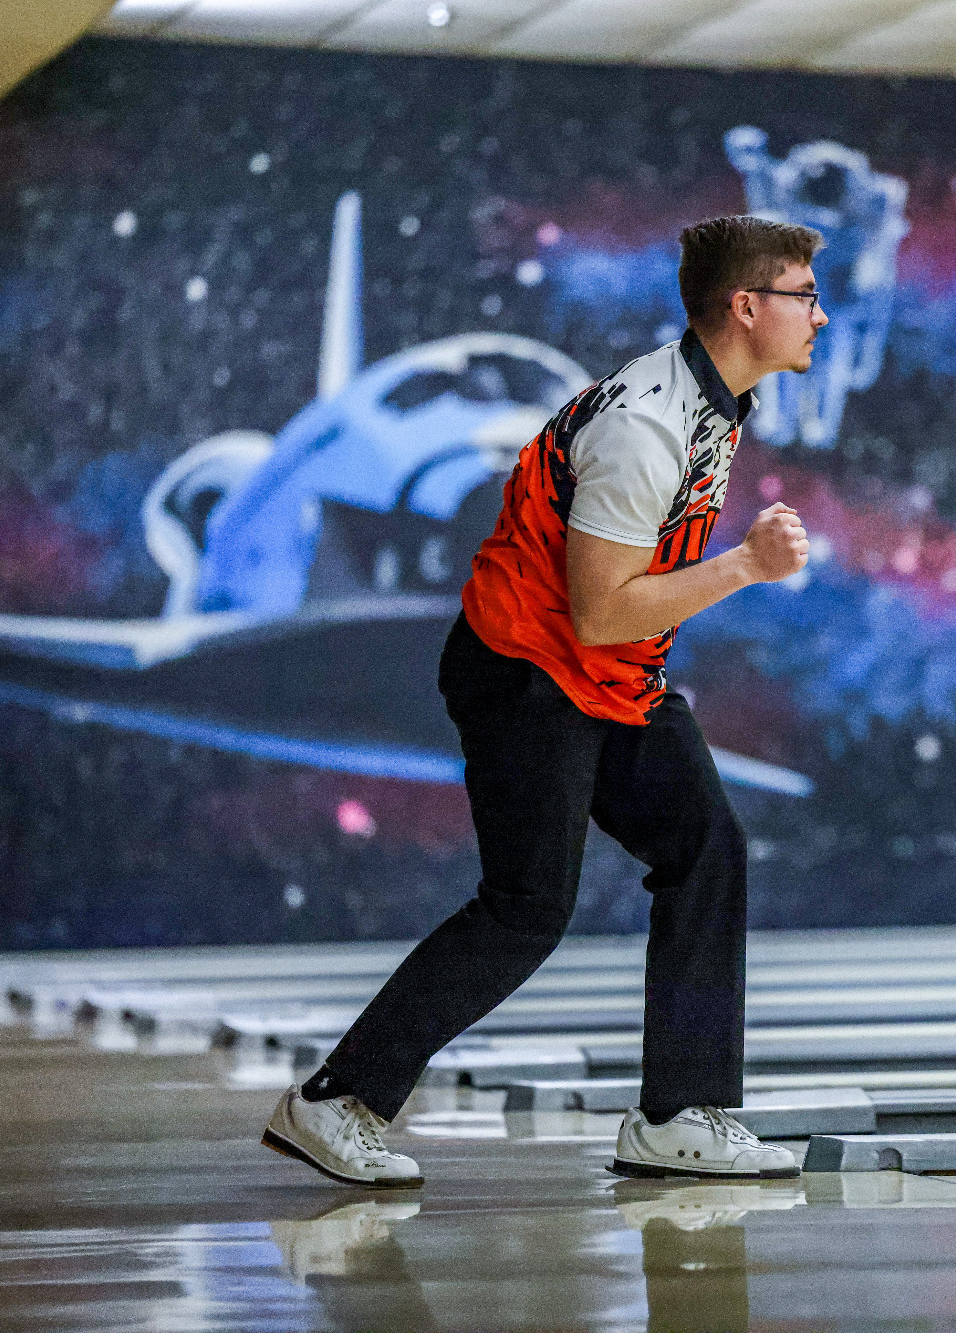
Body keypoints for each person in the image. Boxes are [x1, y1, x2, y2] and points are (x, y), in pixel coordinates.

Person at [261, 214, 827, 1186]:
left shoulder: (715, 400)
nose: (819, 315)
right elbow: (601, 611)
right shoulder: (645, 425)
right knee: (527, 906)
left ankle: (676, 1116)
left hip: (609, 676)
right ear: (745, 307)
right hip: (529, 672)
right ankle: (334, 1100)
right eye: (804, 295)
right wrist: (745, 565)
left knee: (705, 848)